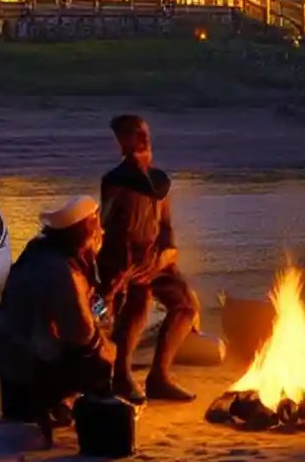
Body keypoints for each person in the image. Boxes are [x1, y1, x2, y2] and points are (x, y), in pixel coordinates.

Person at [0, 195, 116, 445]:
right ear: (86, 232)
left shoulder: (35, 253)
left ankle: (34, 404)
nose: (102, 232)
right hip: (29, 359)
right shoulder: (63, 270)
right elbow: (81, 332)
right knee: (99, 355)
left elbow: (89, 304)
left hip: (0, 352)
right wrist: (105, 333)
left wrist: (103, 302)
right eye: (97, 226)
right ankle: (75, 407)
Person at [97, 114, 199, 404]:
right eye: (130, 135)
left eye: (141, 133)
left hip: (154, 260)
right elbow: (107, 226)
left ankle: (159, 377)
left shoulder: (159, 182)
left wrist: (168, 253)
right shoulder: (115, 182)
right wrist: (118, 274)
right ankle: (120, 376)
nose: (141, 139)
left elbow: (165, 226)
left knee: (186, 306)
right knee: (136, 307)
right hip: (123, 261)